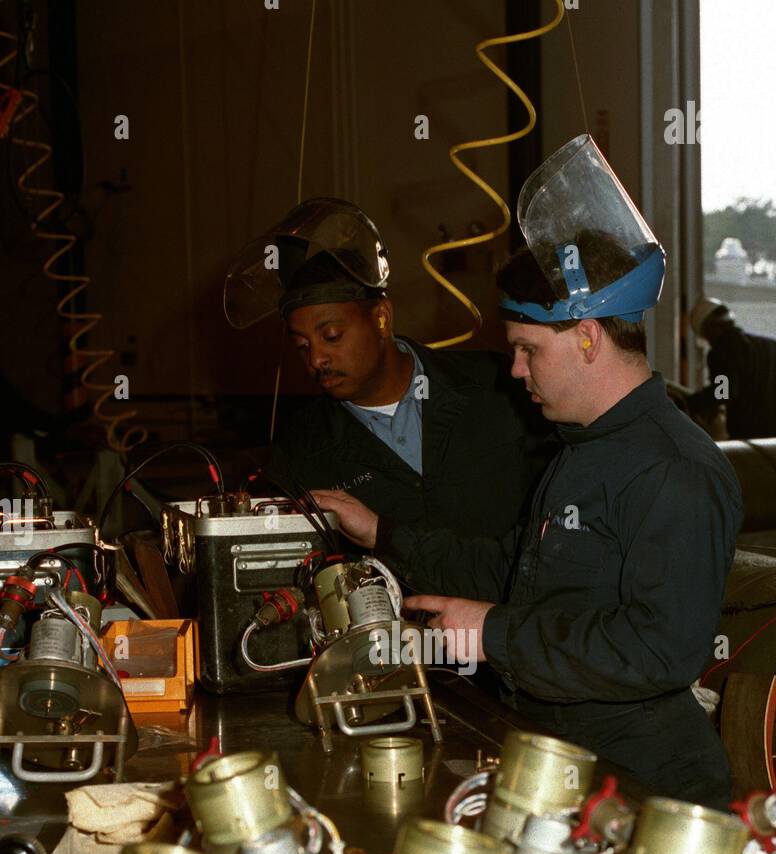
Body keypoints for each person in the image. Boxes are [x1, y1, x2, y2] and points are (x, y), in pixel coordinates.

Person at [311, 139, 745, 810]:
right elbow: (510, 569)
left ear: (587, 338)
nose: (515, 372)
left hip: (647, 789)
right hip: (566, 763)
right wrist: (380, 533)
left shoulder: (674, 469)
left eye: (526, 351)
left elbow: (660, 649)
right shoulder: (581, 451)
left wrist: (491, 633)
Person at [224, 198, 555, 536]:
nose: (317, 359)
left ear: (381, 317)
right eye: (302, 346)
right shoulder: (302, 452)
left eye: (332, 336)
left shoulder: (500, 385)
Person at [687, 298, 776, 439]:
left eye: (706, 335)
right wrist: (771, 403)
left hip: (749, 442)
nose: (709, 341)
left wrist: (692, 402)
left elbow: (724, 392)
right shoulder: (773, 347)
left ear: (711, 328)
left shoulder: (721, 352)